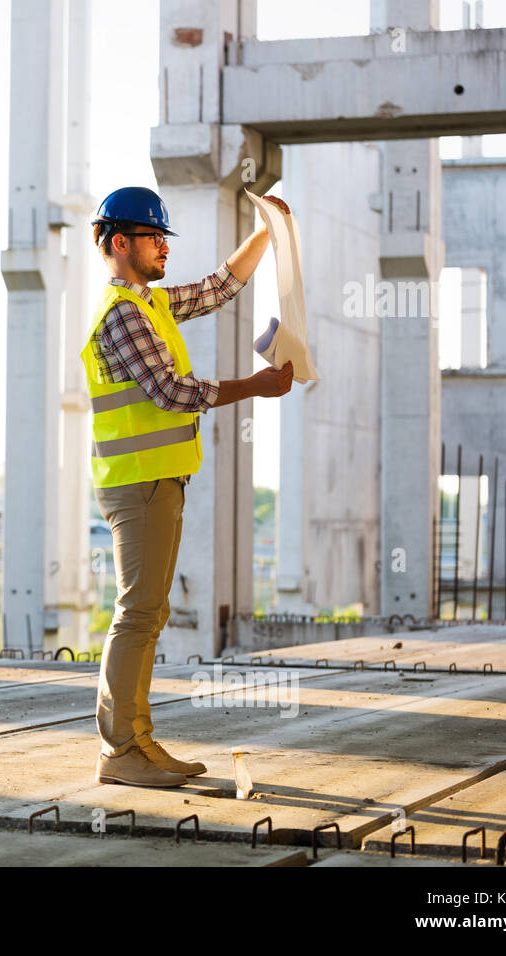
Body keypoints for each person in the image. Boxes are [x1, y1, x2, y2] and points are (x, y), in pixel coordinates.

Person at [82, 185, 294, 789]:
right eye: (154, 239)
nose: (164, 249)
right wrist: (253, 387)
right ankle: (123, 748)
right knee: (138, 612)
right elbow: (172, 393)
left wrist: (266, 231)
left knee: (146, 612)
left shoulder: (147, 304)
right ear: (120, 243)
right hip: (140, 484)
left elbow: (216, 289)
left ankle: (133, 742)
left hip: (156, 482)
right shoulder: (122, 314)